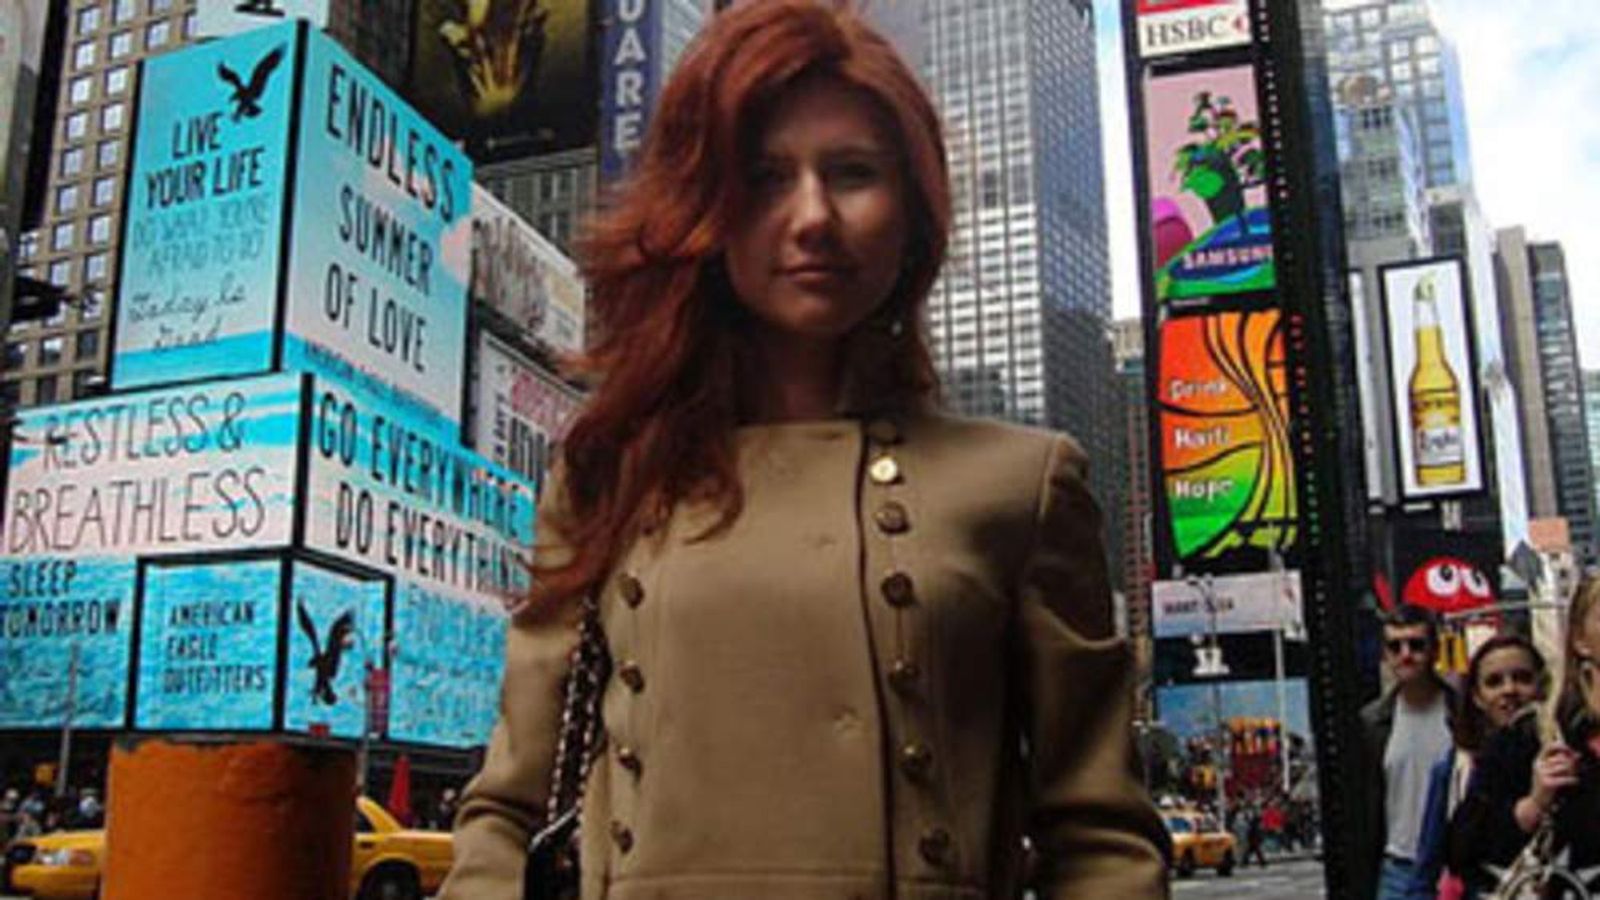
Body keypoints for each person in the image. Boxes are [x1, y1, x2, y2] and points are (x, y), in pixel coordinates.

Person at [438, 2, 1169, 897]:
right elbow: (508, 809)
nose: (813, 216)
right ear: (703, 209)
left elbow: (1100, 838)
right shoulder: (609, 477)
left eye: (853, 173)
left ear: (913, 213)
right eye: (765, 177)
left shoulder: (1022, 485)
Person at [1446, 579, 1600, 897]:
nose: (1509, 690)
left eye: (1521, 678)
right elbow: (1461, 849)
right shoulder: (1533, 737)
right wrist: (1532, 806)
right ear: (1580, 640)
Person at [1409, 633, 1547, 899]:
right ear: (1477, 696)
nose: (1509, 689)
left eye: (1522, 678)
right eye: (1494, 682)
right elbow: (1428, 864)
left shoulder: (1567, 754)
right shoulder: (1456, 768)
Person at [1359, 604, 1457, 899]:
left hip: (1453, 870)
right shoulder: (1372, 722)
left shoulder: (1462, 713)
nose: (1406, 655)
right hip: (1397, 870)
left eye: (1416, 645)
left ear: (1434, 650)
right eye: (1395, 646)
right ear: (1385, 655)